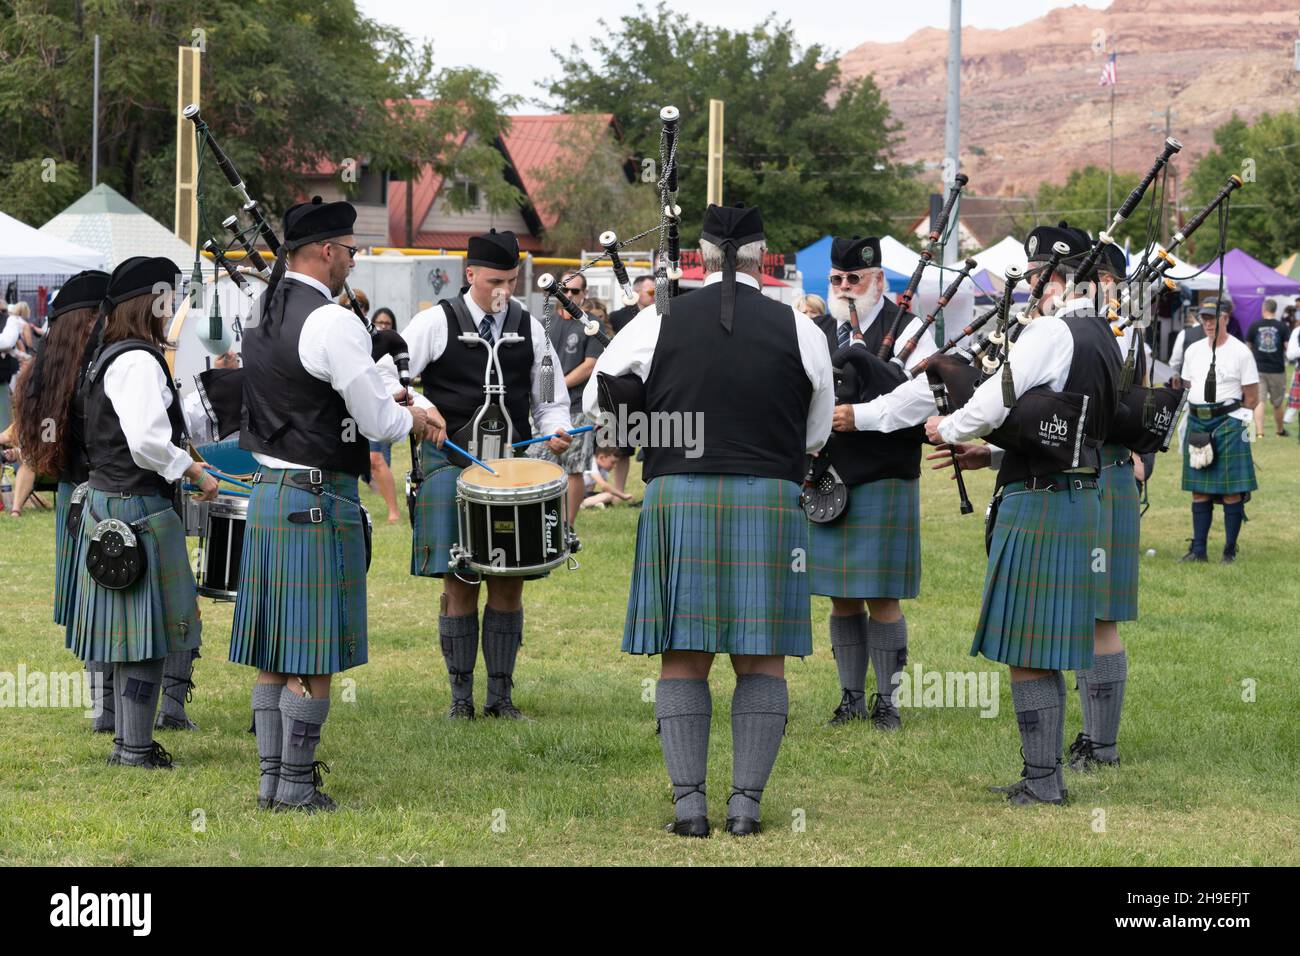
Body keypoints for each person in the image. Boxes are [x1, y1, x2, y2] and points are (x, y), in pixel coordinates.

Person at [584, 204, 833, 837]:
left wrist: (654, 424)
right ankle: (745, 808)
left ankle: (689, 808)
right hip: (770, 496)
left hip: (679, 494)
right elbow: (817, 428)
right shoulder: (800, 328)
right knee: (761, 658)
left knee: (683, 655)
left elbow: (598, 398)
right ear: (762, 258)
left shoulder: (657, 318)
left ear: (700, 258)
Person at [228, 197, 433, 811]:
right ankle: (294, 785)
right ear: (325, 252)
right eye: (350, 249)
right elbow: (373, 416)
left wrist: (392, 397)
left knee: (272, 651)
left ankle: (273, 778)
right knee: (311, 653)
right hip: (315, 499)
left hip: (268, 496)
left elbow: (336, 391)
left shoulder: (264, 314)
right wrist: (413, 417)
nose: (353, 259)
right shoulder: (332, 320)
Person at [925, 223, 1120, 806]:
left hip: (1040, 502)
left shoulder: (1053, 332)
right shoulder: (1105, 339)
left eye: (1035, 277)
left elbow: (995, 397)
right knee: (1046, 646)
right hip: (1077, 497)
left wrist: (949, 427)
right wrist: (996, 453)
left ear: (1050, 277)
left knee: (1028, 650)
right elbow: (1073, 430)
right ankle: (1045, 776)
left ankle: (1042, 783)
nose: (1032, 288)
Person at [394, 228, 571, 721]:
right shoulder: (433, 323)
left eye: (512, 281)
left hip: (509, 473)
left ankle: (500, 697)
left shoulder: (530, 328)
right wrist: (424, 408)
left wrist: (556, 430)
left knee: (509, 581)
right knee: (460, 580)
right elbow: (391, 377)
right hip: (452, 466)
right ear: (468, 274)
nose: (503, 292)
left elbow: (551, 397)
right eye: (495, 280)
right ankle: (459, 698)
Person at [66, 256, 220, 770]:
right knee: (143, 639)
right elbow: (148, 443)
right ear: (148, 301)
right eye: (167, 296)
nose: (171, 305)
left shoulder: (111, 354)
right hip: (136, 506)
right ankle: (133, 748)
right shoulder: (135, 360)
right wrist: (193, 472)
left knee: (132, 636)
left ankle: (129, 742)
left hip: (113, 502)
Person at [809, 236, 936, 729]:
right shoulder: (818, 329)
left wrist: (859, 416)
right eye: (837, 280)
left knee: (882, 594)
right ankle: (849, 697)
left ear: (878, 280)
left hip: (885, 472)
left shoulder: (910, 329)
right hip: (829, 475)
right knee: (841, 593)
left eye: (855, 279)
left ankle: (888, 700)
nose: (845, 288)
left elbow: (925, 396)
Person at [10, 270, 113, 727]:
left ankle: (101, 708)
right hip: (109, 492)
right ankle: (121, 710)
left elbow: (39, 452)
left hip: (73, 495)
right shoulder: (104, 364)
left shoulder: (42, 368)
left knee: (93, 604)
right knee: (115, 601)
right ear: (92, 317)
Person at [1179, 301, 1259, 564]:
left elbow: (1252, 397)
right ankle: (1198, 550)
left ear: (1225, 318)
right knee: (1199, 491)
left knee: (1231, 491)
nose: (1208, 323)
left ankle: (1229, 550)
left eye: (1213, 318)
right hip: (1198, 423)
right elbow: (1188, 384)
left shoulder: (1240, 352)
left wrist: (1234, 423)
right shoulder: (1192, 351)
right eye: (1204, 318)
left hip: (1228, 424)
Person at [527, 270, 603, 533]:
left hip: (577, 407)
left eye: (575, 291)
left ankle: (567, 527)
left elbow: (589, 366)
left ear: (585, 294)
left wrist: (555, 386)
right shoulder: (541, 323)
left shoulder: (591, 324)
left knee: (573, 468)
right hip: (540, 410)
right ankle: (536, 520)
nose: (568, 296)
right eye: (564, 291)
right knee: (536, 463)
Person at [366, 306, 403, 523]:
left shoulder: (396, 350)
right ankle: (377, 488)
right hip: (367, 407)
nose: (382, 326)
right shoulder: (367, 345)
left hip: (387, 406)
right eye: (379, 322)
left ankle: (393, 510)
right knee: (375, 458)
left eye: (387, 324)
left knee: (378, 457)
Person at [1247, 298, 1289, 438]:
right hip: (1277, 369)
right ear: (1275, 310)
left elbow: (1249, 347)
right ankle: (1279, 430)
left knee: (1260, 400)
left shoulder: (1255, 325)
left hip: (1258, 368)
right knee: (1277, 402)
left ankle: (1259, 433)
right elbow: (1287, 347)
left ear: (1263, 309)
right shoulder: (1282, 326)